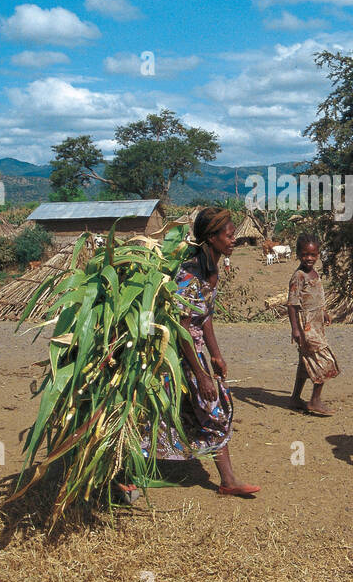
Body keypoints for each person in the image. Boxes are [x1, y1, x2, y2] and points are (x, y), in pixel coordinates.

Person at [143, 207, 259, 497]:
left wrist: (216, 355)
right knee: (209, 410)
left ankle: (227, 479)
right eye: (229, 236)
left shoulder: (212, 271)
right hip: (178, 354)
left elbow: (205, 317)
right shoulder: (189, 275)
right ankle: (227, 480)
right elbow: (181, 329)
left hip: (195, 353)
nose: (234, 240)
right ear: (211, 238)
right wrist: (201, 374)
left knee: (202, 412)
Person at [286, 235, 339, 416]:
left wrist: (323, 312)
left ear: (318, 254)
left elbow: (314, 297)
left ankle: (295, 398)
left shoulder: (314, 273)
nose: (309, 258)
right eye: (304, 254)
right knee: (324, 360)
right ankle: (315, 400)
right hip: (306, 326)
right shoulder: (298, 276)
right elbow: (292, 304)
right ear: (298, 254)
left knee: (305, 362)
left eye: (313, 254)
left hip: (316, 323)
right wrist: (295, 329)